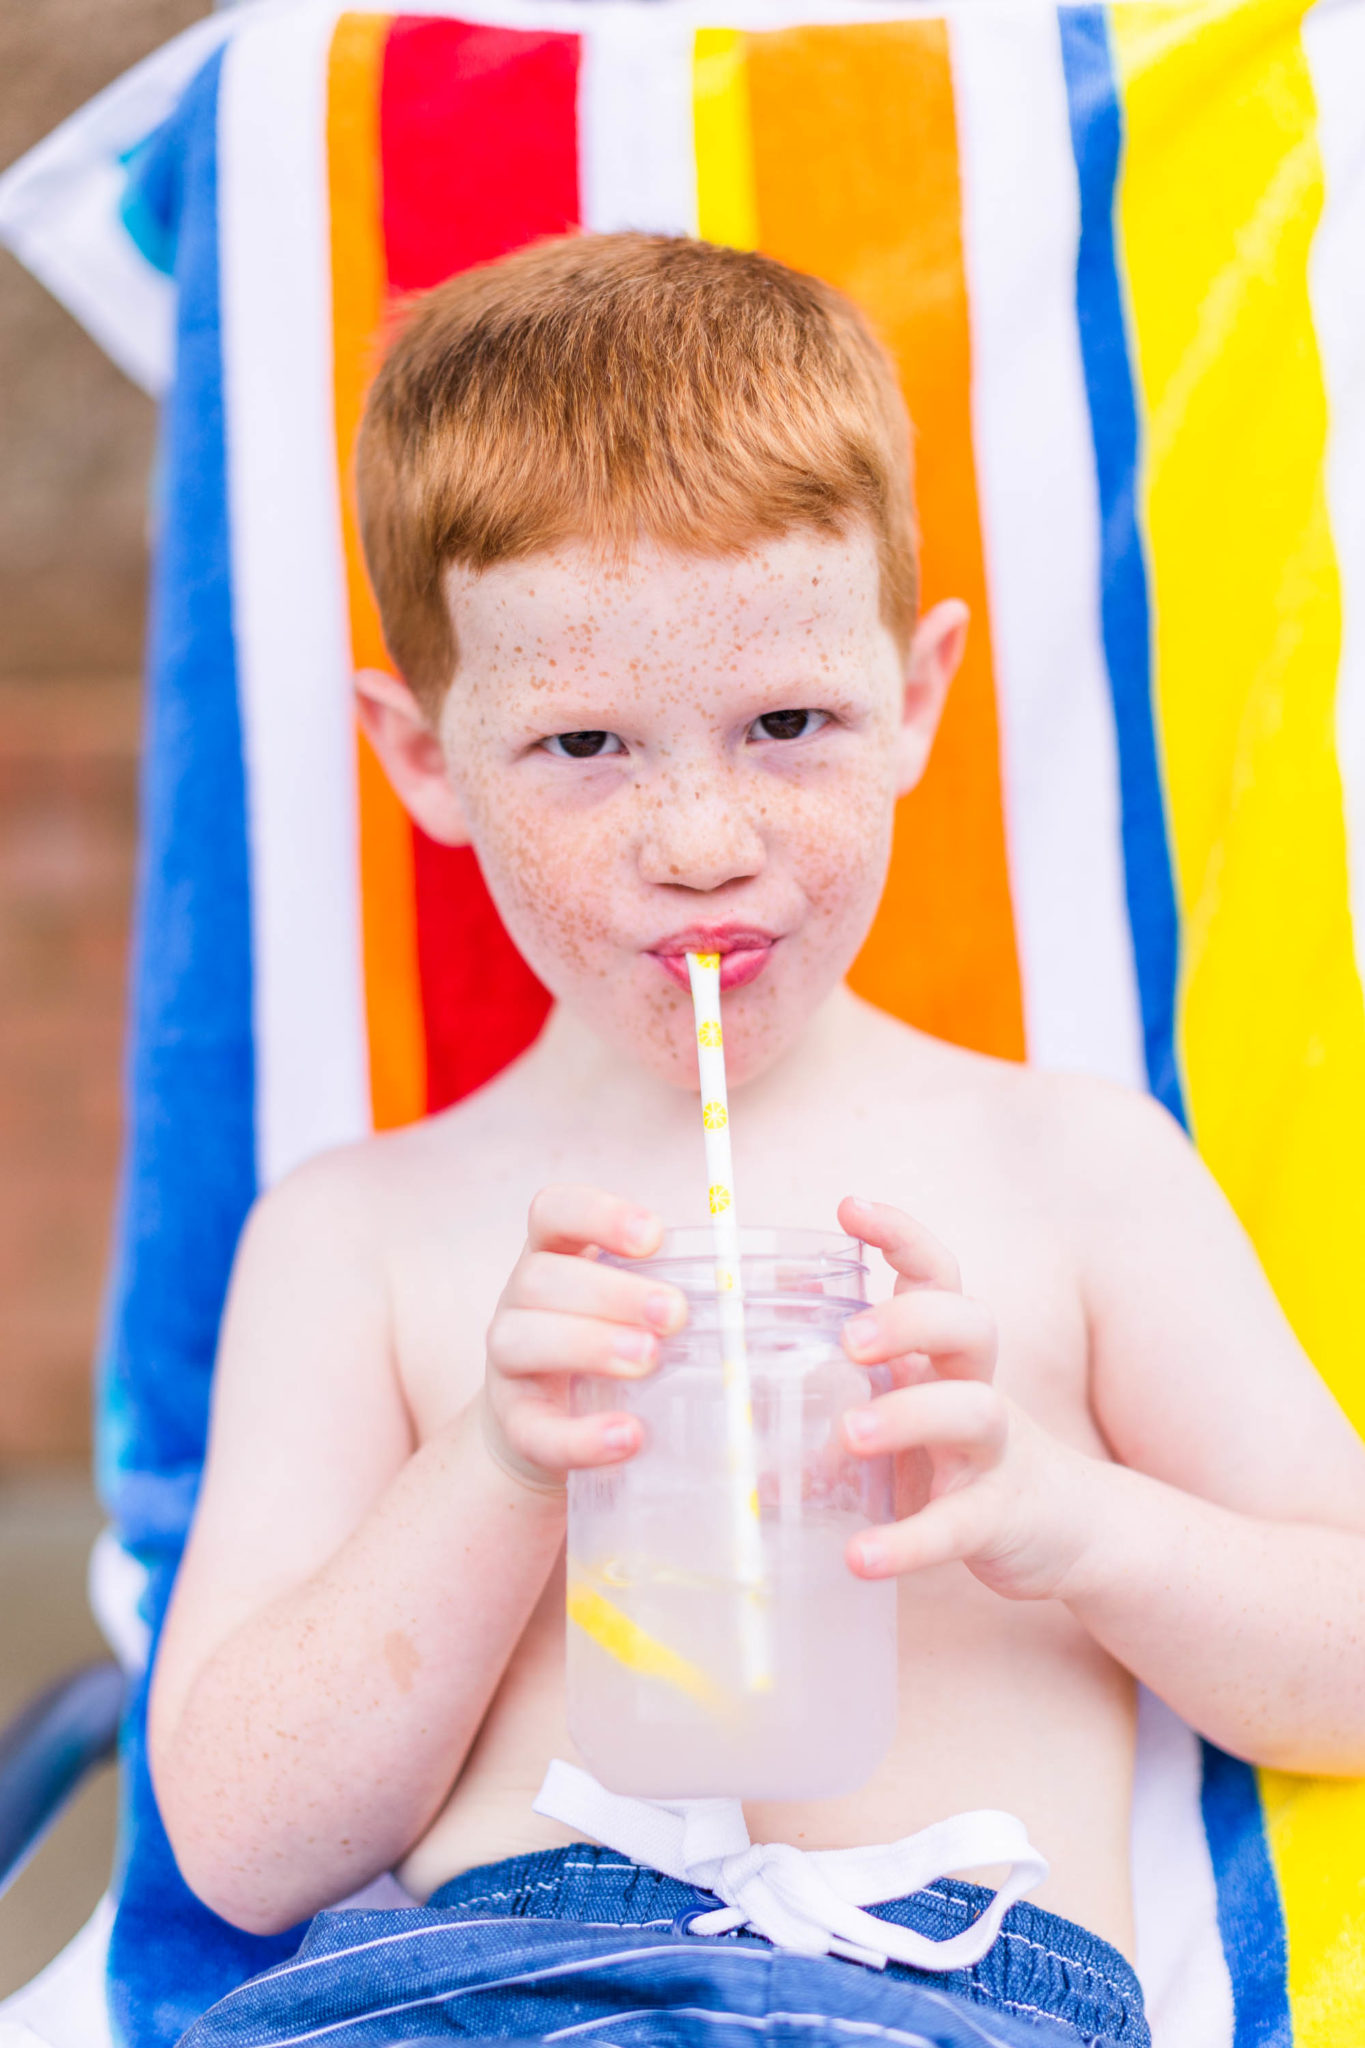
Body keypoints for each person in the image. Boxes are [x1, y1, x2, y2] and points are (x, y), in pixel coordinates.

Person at [147, 234, 1365, 2048]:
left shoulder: (1070, 1170)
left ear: (915, 700)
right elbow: (245, 1848)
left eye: (787, 723)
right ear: (422, 758)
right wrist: (495, 1467)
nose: (702, 841)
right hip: (489, 1988)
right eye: (583, 745)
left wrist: (1069, 1517)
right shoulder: (361, 1235)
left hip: (940, 1995)